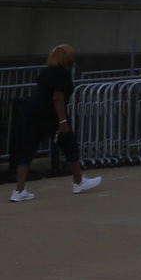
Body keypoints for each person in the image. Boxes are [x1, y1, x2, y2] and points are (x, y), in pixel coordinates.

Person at [10, 46, 103, 201]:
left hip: (33, 114)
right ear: (66, 58)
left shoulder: (44, 72)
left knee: (27, 150)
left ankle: (19, 191)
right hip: (52, 116)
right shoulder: (63, 74)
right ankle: (78, 182)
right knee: (70, 146)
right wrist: (63, 121)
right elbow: (57, 97)